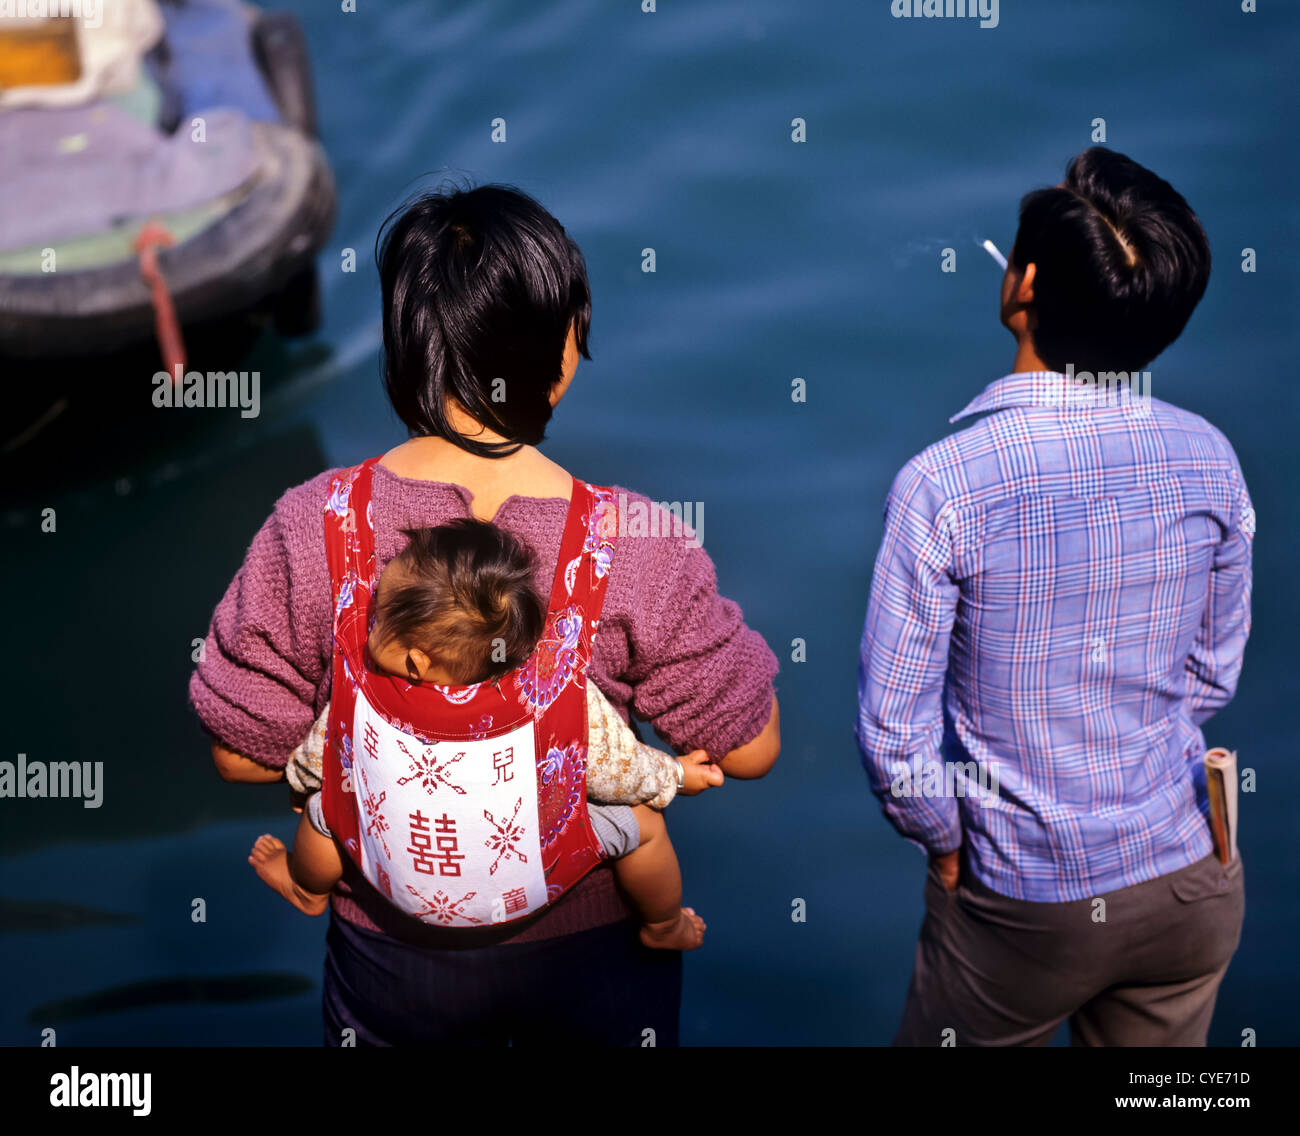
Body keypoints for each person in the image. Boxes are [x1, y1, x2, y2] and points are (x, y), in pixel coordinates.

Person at [191, 183, 780, 1046]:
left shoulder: (313, 521)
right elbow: (752, 748)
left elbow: (239, 757)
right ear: (565, 350)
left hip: (391, 951)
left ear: (405, 347)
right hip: (589, 946)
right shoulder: (639, 537)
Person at [857, 148, 1251, 1046]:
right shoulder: (1210, 460)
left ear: (1020, 287)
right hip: (1191, 877)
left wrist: (946, 839)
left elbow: (893, 736)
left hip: (1023, 909)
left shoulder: (944, 485)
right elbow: (1210, 676)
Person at [249, 517, 721, 951]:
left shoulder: (363, 690)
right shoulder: (555, 694)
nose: (369, 614)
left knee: (322, 809)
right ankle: (663, 925)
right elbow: (618, 771)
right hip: (527, 884)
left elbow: (321, 755)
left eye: (379, 612)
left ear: (415, 661)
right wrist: (675, 775)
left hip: (403, 873)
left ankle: (307, 888)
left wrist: (300, 784)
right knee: (646, 828)